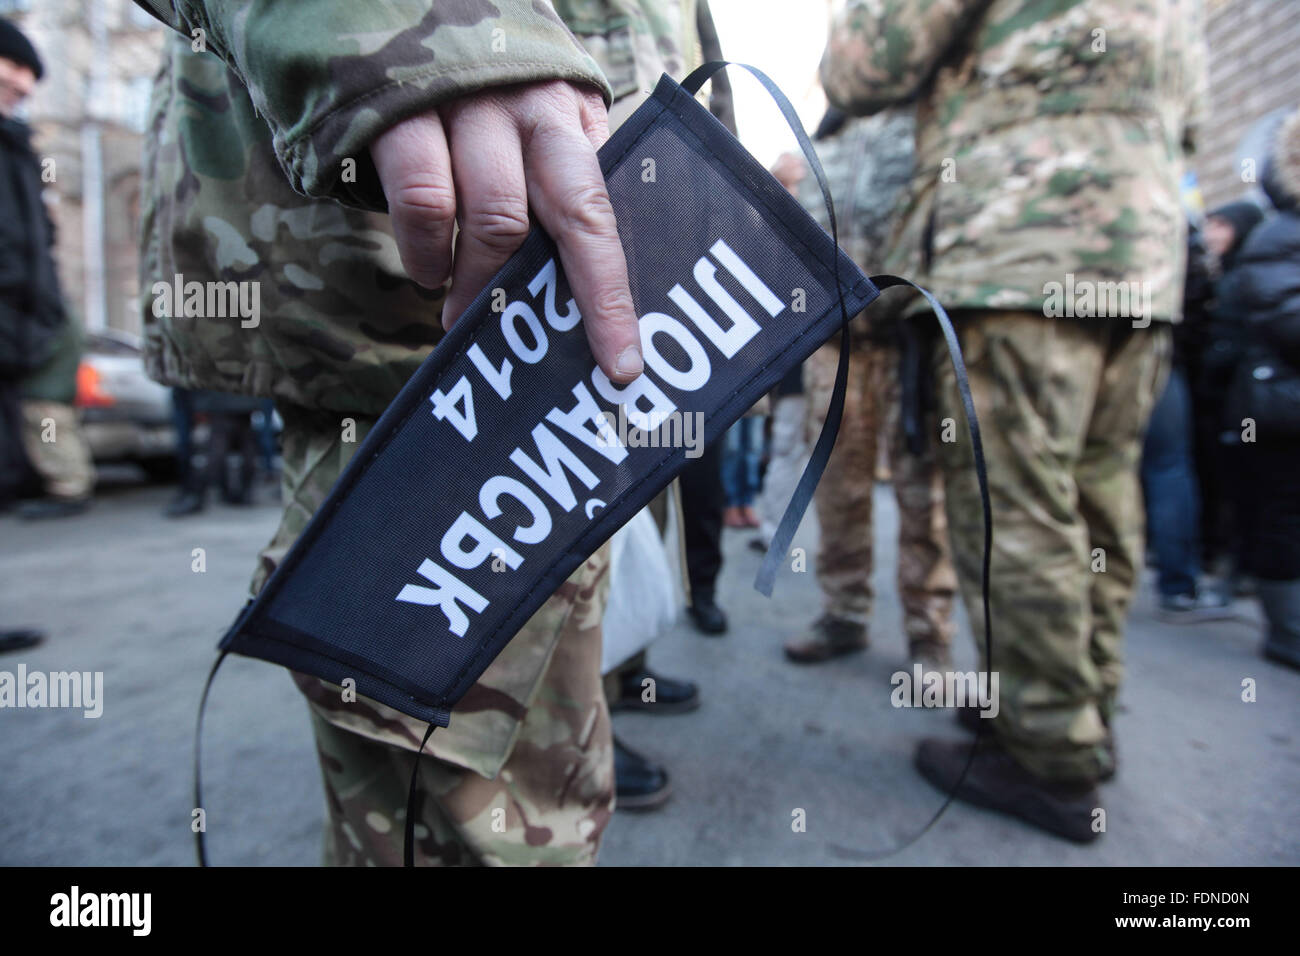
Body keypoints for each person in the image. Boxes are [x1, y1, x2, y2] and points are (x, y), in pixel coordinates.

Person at [138, 0, 712, 865]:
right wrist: (447, 41)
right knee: (472, 824)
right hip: (407, 300)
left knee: (534, 776)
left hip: (585, 290)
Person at [822, 0, 1207, 842]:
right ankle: (1077, 710)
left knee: (1017, 510)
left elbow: (862, 68)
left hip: (1022, 248)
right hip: (1140, 256)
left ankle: (1050, 755)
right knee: (1100, 497)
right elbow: (1194, 115)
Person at [773, 106, 957, 671]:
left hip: (911, 341)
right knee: (838, 489)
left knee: (923, 496)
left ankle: (931, 640)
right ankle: (844, 613)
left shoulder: (930, 117)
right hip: (836, 346)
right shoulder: (823, 139)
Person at [0, 19, 93, 522]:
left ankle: (62, 485)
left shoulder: (18, 146)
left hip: (33, 305)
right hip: (21, 304)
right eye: (14, 65)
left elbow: (34, 237)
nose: (24, 84)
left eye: (31, 75)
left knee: (43, 403)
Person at [1223, 108, 1300, 671]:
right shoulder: (1279, 236)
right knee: (1282, 514)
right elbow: (1283, 315)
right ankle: (1288, 631)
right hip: (1280, 402)